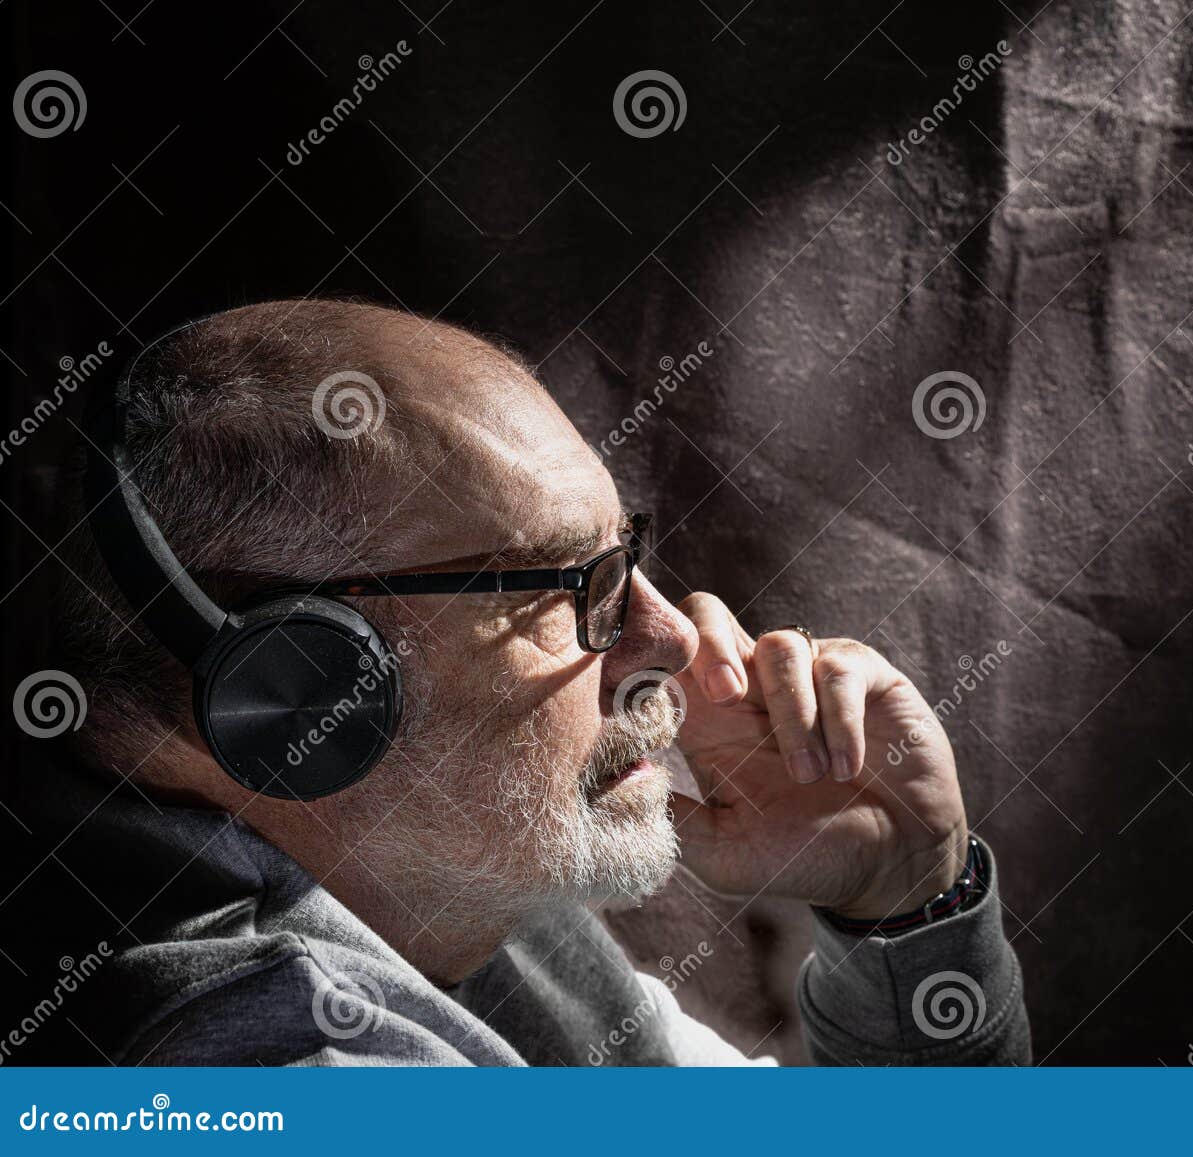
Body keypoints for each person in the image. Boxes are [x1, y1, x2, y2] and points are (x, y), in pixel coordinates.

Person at [10, 299, 1027, 1066]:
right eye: (569, 582)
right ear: (303, 688)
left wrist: (906, 900)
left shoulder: (446, 896)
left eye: (627, 559)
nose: (671, 636)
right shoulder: (287, 1059)